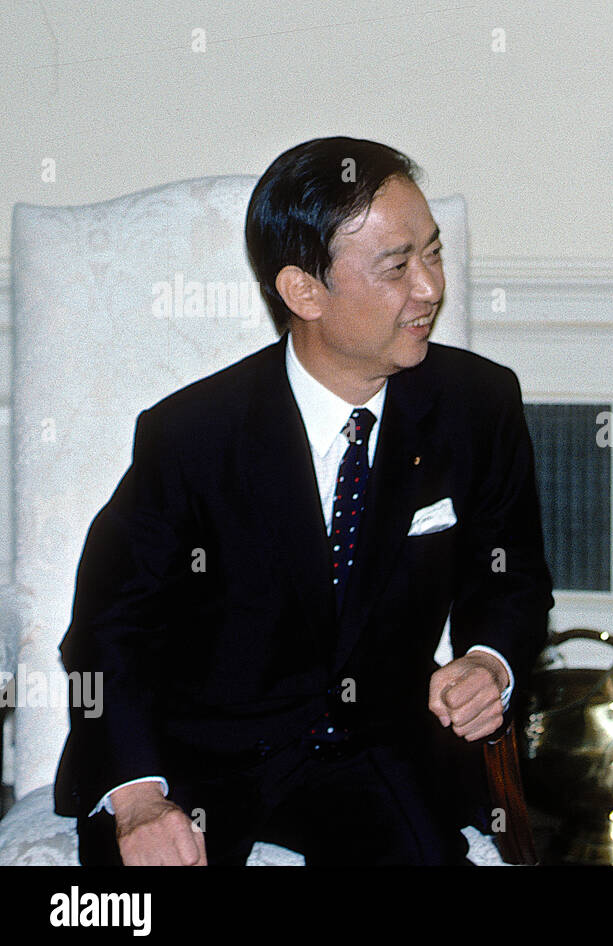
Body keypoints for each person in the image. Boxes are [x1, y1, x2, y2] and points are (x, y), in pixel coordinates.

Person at [53, 137, 554, 865]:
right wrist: (136, 796)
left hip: (386, 757)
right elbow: (107, 630)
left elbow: (512, 578)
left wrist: (489, 662)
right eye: (397, 267)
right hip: (199, 765)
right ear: (304, 292)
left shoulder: (477, 405)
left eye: (433, 253)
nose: (430, 288)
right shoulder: (193, 437)